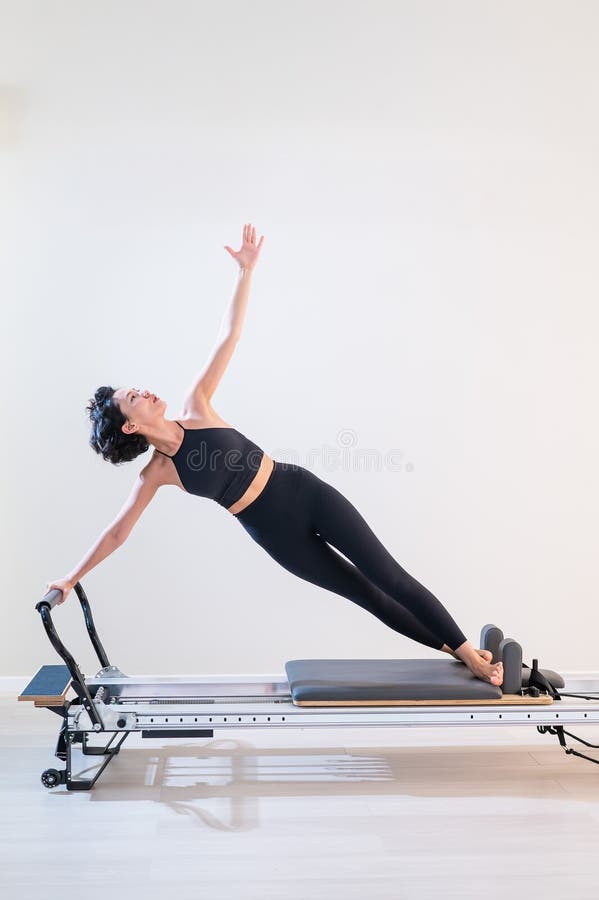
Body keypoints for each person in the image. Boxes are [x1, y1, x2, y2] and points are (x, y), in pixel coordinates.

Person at [46, 223, 503, 687]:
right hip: (276, 535)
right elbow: (117, 532)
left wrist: (245, 271)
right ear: (130, 425)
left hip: (302, 491)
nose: (144, 391)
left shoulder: (196, 406)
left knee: (387, 575)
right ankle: (461, 652)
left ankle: (469, 653)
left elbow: (229, 336)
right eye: (133, 398)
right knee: (368, 596)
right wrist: (71, 577)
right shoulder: (157, 473)